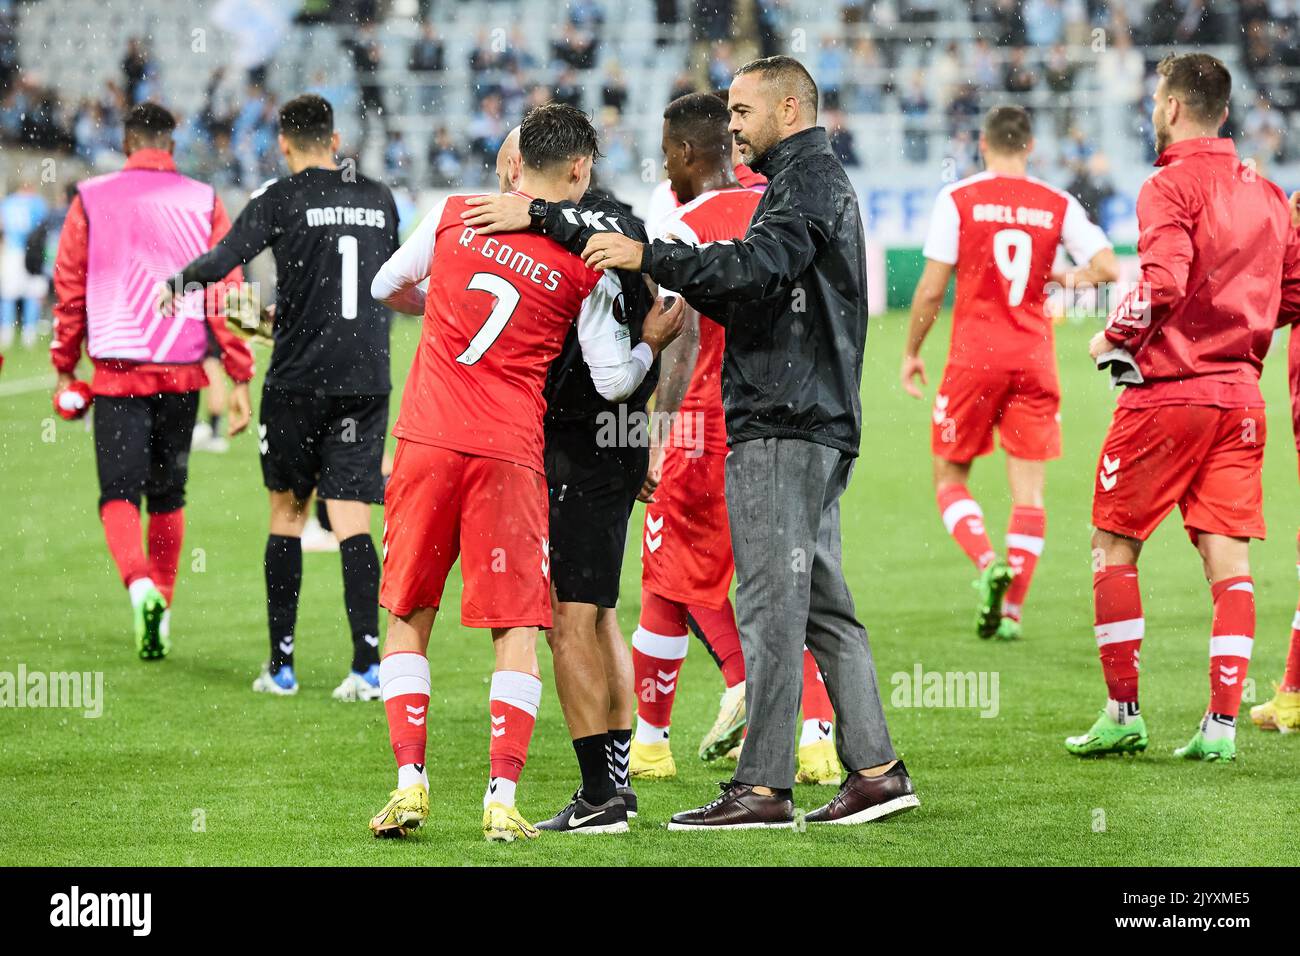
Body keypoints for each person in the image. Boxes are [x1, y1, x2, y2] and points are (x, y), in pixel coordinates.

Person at [462, 55, 916, 828]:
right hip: (812, 416)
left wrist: (644, 256)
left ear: (791, 110)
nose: (732, 124)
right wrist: (560, 222)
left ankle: (763, 787)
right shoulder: (806, 181)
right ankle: (875, 770)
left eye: (744, 110)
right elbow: (756, 276)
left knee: (771, 602)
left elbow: (755, 270)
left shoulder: (802, 181)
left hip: (785, 419)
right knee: (823, 606)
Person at [364, 104, 683, 842]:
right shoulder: (587, 259)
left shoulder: (453, 216)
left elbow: (386, 285)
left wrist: (437, 305)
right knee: (515, 624)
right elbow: (610, 382)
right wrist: (652, 345)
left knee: (408, 615)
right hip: (510, 451)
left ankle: (410, 781)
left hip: (428, 438)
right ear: (579, 170)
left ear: (515, 164)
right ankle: (501, 796)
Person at [1066, 53, 1300, 763]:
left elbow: (1161, 279)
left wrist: (1114, 335)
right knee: (1227, 561)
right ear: (1224, 111)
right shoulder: (1265, 190)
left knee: (1114, 547)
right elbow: (1294, 292)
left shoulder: (1167, 184)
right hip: (1241, 399)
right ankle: (1220, 729)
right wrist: (1244, 323)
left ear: (1170, 108)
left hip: (1168, 395)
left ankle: (1124, 713)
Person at [628, 92, 841, 786]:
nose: (666, 169)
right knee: (785, 581)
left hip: (710, 421)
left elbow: (682, 337)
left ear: (689, 153)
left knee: (664, 570)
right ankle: (815, 740)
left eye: (668, 155)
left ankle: (654, 741)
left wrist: (657, 430)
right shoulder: (785, 206)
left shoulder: (687, 221)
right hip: (794, 423)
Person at [170, 94, 399, 701]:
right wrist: (287, 315)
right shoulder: (379, 197)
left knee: (288, 517)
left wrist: (175, 286)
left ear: (283, 143)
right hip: (366, 380)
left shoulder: (280, 197)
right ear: (336, 138)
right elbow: (371, 286)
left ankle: (282, 666)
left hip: (299, 381)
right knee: (353, 523)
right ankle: (367, 667)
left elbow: (222, 260)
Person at [904, 105, 1116, 641]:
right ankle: (1014, 611)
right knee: (1029, 494)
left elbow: (931, 289)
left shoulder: (959, 199)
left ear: (983, 143)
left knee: (950, 477)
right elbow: (1110, 267)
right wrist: (1069, 277)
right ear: (1029, 147)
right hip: (1033, 358)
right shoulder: (1056, 202)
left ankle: (985, 562)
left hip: (973, 359)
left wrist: (911, 351)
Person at [50, 102, 253, 659]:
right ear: (171, 141)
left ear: (126, 141)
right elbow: (227, 289)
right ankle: (163, 598)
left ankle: (139, 586)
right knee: (168, 494)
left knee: (118, 494)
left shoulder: (91, 197)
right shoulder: (203, 198)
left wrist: (65, 363)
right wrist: (238, 374)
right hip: (183, 370)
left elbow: (68, 286)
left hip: (117, 369)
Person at [0, 177, 49, 349]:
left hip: (11, 252)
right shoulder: (37, 203)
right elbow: (43, 228)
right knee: (32, 293)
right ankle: (29, 331)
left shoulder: (7, 203)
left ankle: (6, 331)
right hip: (31, 253)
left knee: (8, 295)